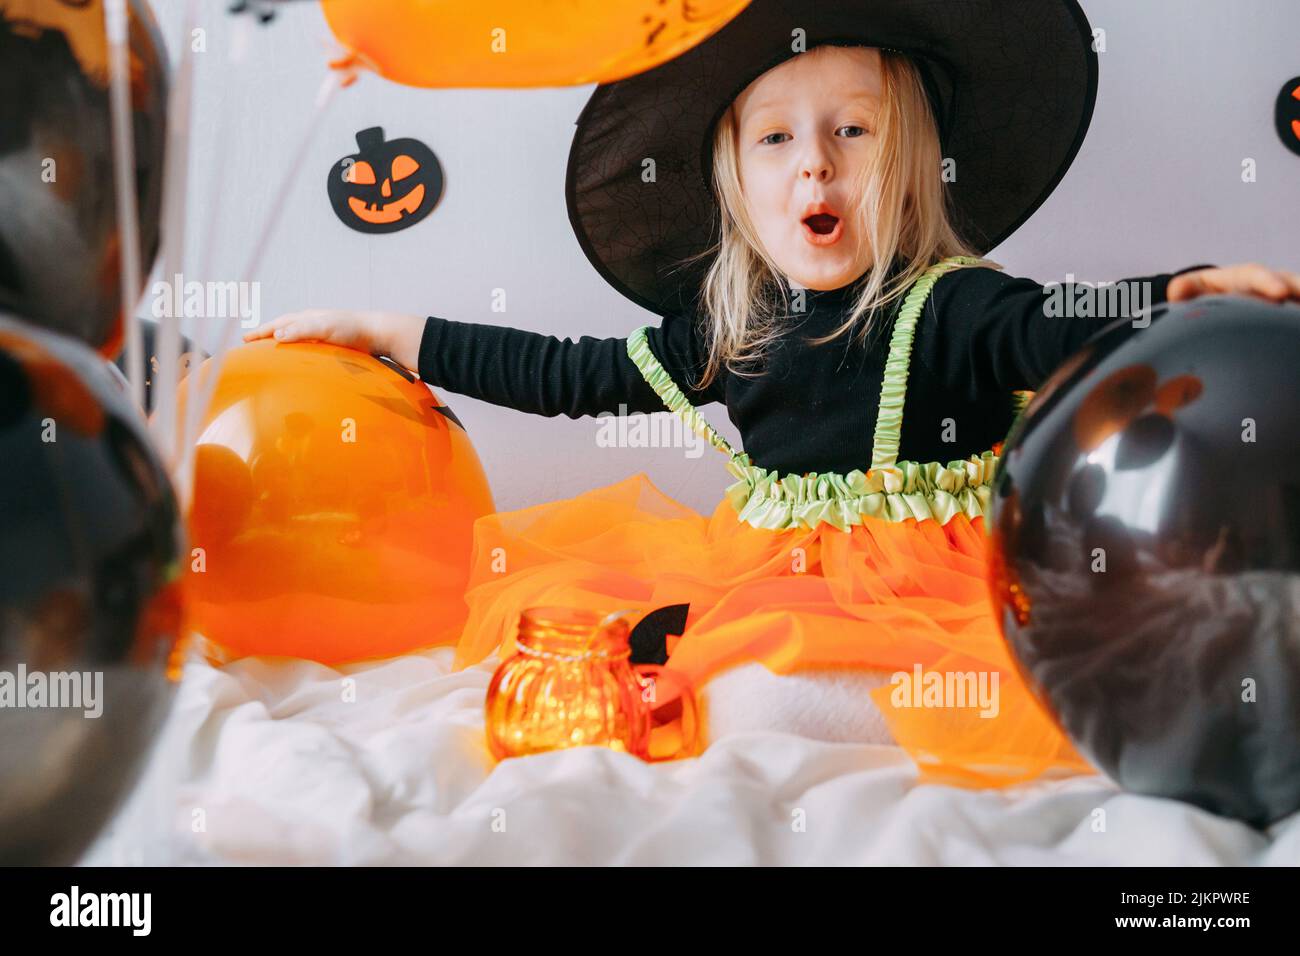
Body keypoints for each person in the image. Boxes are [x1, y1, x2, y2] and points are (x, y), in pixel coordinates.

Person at [247, 1, 1300, 786]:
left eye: (853, 132)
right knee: (713, 675)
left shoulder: (955, 306)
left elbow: (1055, 321)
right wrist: (394, 331)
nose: (816, 171)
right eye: (778, 139)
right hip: (769, 570)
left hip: (932, 583)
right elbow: (567, 374)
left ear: (909, 159)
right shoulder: (730, 330)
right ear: (738, 181)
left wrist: (1169, 292)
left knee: (901, 691)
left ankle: (857, 704)